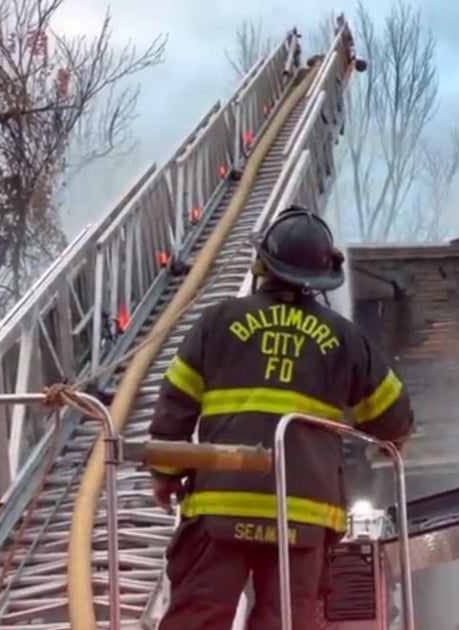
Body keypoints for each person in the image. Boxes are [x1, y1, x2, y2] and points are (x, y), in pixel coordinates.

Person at [149, 206, 414, 630]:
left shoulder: (219, 321)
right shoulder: (345, 339)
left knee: (197, 619)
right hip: (303, 518)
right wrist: (393, 441)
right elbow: (393, 418)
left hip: (221, 509)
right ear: (322, 281)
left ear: (262, 264)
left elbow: (174, 406)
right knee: (284, 623)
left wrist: (165, 474)